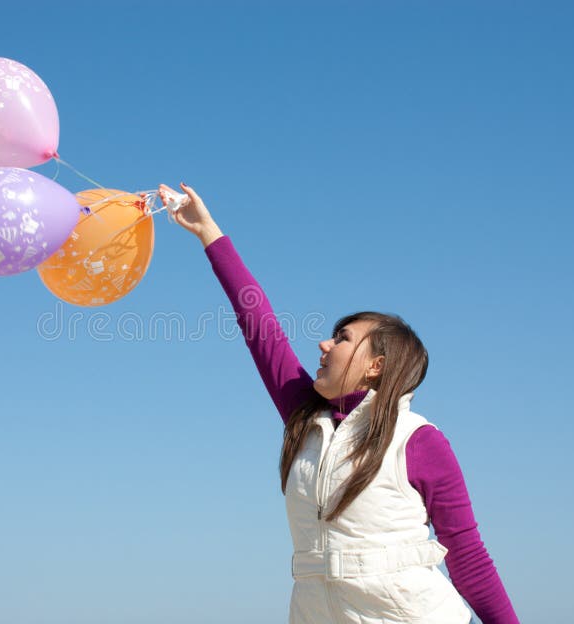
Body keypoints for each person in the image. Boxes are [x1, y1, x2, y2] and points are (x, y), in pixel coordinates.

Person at [162, 182, 519, 624]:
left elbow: (469, 559)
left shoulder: (419, 441)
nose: (324, 344)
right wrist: (208, 232)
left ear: (376, 366)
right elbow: (259, 324)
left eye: (343, 338)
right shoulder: (305, 417)